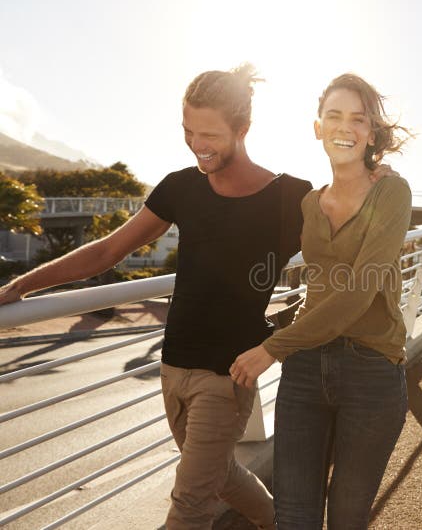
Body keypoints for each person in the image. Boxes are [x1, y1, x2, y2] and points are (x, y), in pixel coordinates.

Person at [0, 64, 313, 529]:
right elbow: (108, 250)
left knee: (189, 505)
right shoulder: (181, 186)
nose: (196, 144)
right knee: (219, 475)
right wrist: (21, 285)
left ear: (243, 129)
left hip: (228, 374)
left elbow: (340, 269)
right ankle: (288, 523)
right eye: (188, 131)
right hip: (174, 366)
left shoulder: (291, 196)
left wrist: (282, 341)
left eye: (209, 134)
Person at [229, 73, 412, 529]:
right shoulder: (310, 203)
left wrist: (273, 347)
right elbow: (294, 273)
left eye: (358, 118)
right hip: (306, 368)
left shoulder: (392, 191)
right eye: (334, 116)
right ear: (318, 127)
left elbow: (359, 290)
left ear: (371, 133)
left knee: (347, 516)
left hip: (372, 369)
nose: (344, 127)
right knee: (293, 514)